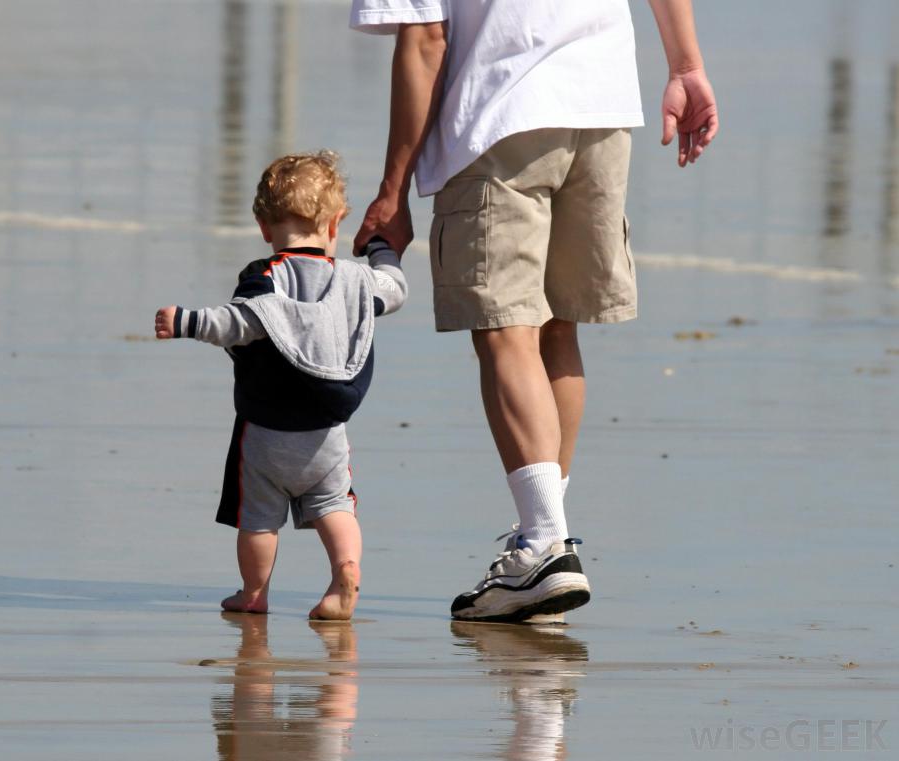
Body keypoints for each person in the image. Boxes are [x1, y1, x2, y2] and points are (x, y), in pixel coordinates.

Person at [350, 0, 718, 621]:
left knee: (504, 331)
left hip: (502, 115)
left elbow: (424, 43)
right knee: (557, 329)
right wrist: (687, 66)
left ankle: (545, 543)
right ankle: (541, 544)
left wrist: (392, 191)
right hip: (601, 107)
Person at [155, 151, 407, 620]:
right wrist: (381, 249)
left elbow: (238, 324)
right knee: (335, 505)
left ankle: (253, 593)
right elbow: (394, 288)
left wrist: (185, 321)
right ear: (335, 226)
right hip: (328, 432)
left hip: (267, 433)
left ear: (264, 226)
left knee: (258, 521)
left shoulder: (264, 278)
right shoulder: (355, 282)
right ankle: (344, 571)